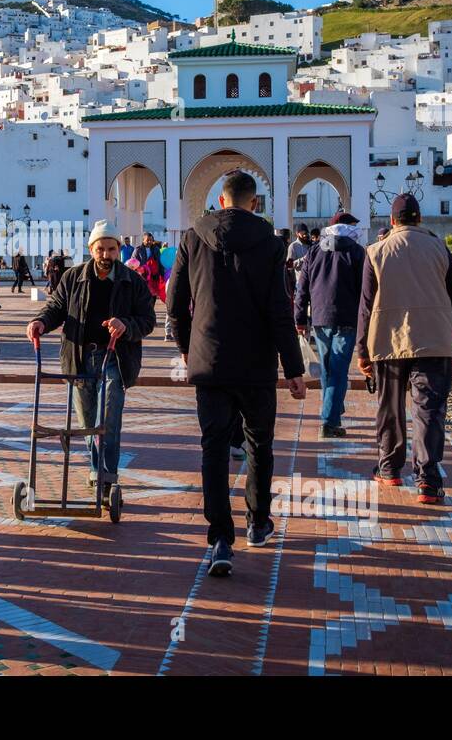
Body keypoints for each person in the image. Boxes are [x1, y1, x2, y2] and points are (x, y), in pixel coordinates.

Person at [167, 170, 305, 578]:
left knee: (213, 448)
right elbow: (280, 310)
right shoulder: (270, 243)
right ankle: (258, 523)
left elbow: (175, 304)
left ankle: (220, 537)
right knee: (259, 444)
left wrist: (188, 348)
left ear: (221, 201)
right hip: (256, 364)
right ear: (254, 203)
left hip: (209, 363)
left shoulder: (192, 238)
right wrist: (294, 368)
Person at [27, 220, 156, 493]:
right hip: (80, 358)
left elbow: (147, 320)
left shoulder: (132, 281)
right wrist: (40, 322)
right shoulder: (73, 277)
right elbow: (56, 307)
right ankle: (97, 468)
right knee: (86, 423)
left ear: (119, 249)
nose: (106, 255)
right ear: (91, 249)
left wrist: (125, 325)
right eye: (101, 249)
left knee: (109, 417)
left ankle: (106, 476)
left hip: (115, 358)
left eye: (111, 249)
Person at [355, 193, 452, 506]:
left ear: (392, 221)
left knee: (389, 407)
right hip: (433, 339)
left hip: (388, 341)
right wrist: (450, 335)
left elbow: (365, 305)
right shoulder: (440, 248)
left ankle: (389, 467)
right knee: (428, 410)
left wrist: (362, 349)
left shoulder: (375, 251)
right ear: (419, 219)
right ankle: (428, 479)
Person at [293, 211, 365, 438]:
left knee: (327, 369)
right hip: (347, 318)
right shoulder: (356, 252)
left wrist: (299, 318)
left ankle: (333, 406)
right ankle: (330, 420)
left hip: (320, 317)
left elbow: (302, 287)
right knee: (338, 370)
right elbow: (366, 290)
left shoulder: (314, 250)